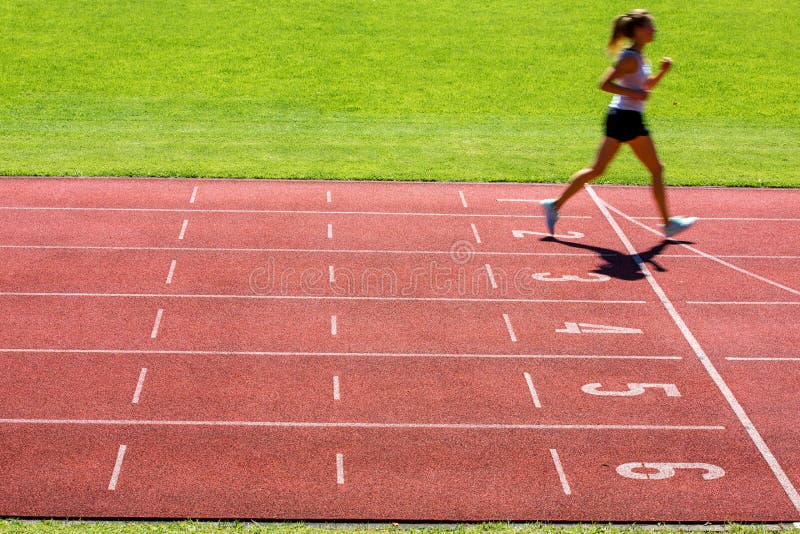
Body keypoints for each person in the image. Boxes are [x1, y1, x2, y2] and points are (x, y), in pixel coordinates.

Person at [540, 9, 696, 239]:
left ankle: (554, 205)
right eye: (650, 26)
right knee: (655, 169)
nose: (655, 30)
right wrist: (633, 92)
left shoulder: (639, 57)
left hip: (622, 116)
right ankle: (667, 224)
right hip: (626, 118)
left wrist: (662, 73)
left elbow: (644, 87)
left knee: (598, 169)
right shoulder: (629, 58)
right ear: (638, 31)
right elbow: (604, 83)